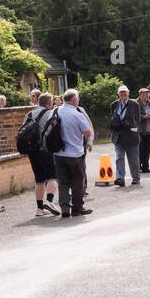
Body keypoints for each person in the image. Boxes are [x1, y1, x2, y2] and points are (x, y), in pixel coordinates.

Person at [54, 89, 93, 217]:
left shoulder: (55, 111)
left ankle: (65, 209)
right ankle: (77, 208)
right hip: (75, 154)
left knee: (63, 182)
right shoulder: (77, 114)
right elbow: (87, 132)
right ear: (74, 100)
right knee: (77, 181)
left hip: (58, 153)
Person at [26, 92, 61, 217]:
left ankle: (39, 209)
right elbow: (55, 131)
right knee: (53, 176)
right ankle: (50, 201)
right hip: (45, 150)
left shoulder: (29, 114)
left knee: (39, 179)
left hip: (32, 151)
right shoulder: (50, 113)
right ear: (49, 103)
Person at [110, 84, 142, 187]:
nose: (123, 94)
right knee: (119, 157)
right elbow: (113, 118)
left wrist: (134, 129)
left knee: (133, 159)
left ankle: (136, 178)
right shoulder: (114, 105)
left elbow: (138, 120)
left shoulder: (134, 104)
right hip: (118, 136)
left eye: (125, 92)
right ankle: (120, 178)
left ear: (128, 93)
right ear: (118, 94)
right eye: (121, 92)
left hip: (131, 135)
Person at [137, 88, 150, 174]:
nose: (146, 96)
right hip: (140, 131)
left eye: (147, 94)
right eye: (144, 94)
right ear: (140, 95)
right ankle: (138, 167)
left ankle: (146, 167)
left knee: (147, 150)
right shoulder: (136, 104)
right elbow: (135, 116)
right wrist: (144, 117)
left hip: (149, 131)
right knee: (140, 150)